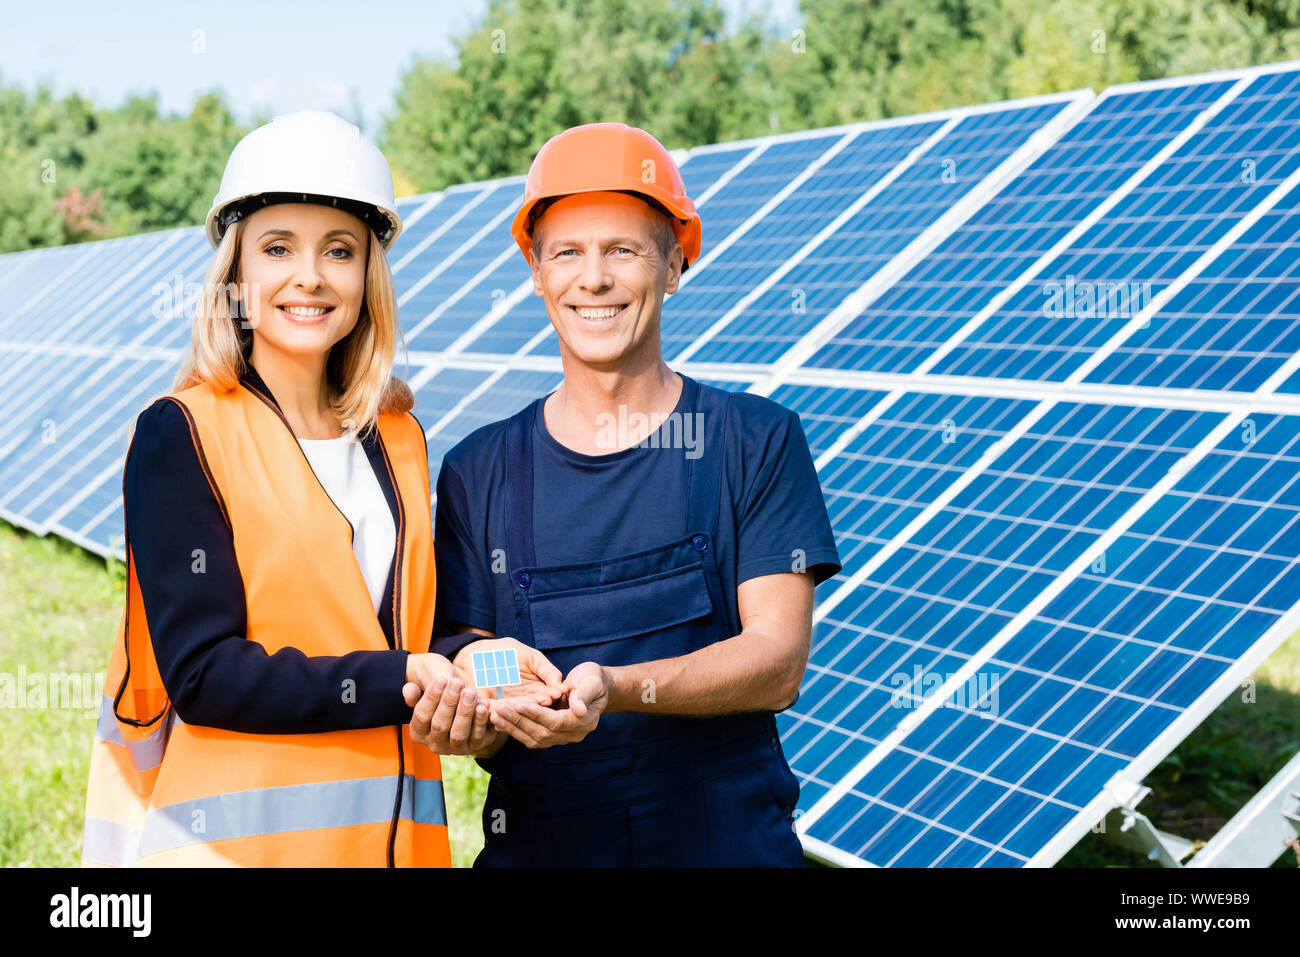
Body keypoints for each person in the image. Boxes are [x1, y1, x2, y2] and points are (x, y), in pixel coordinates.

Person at [80, 110, 557, 868]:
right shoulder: (183, 432)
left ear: (368, 275)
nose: (310, 276)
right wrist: (404, 676)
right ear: (236, 272)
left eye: (339, 250)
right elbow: (206, 672)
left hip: (396, 850)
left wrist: (476, 660)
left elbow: (397, 633)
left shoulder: (398, 436)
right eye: (278, 248)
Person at [426, 122, 843, 866]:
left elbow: (778, 661)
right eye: (567, 253)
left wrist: (613, 687)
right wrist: (494, 690)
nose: (594, 279)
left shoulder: (754, 440)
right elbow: (463, 650)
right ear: (535, 270)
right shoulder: (476, 469)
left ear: (676, 263)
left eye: (622, 250)